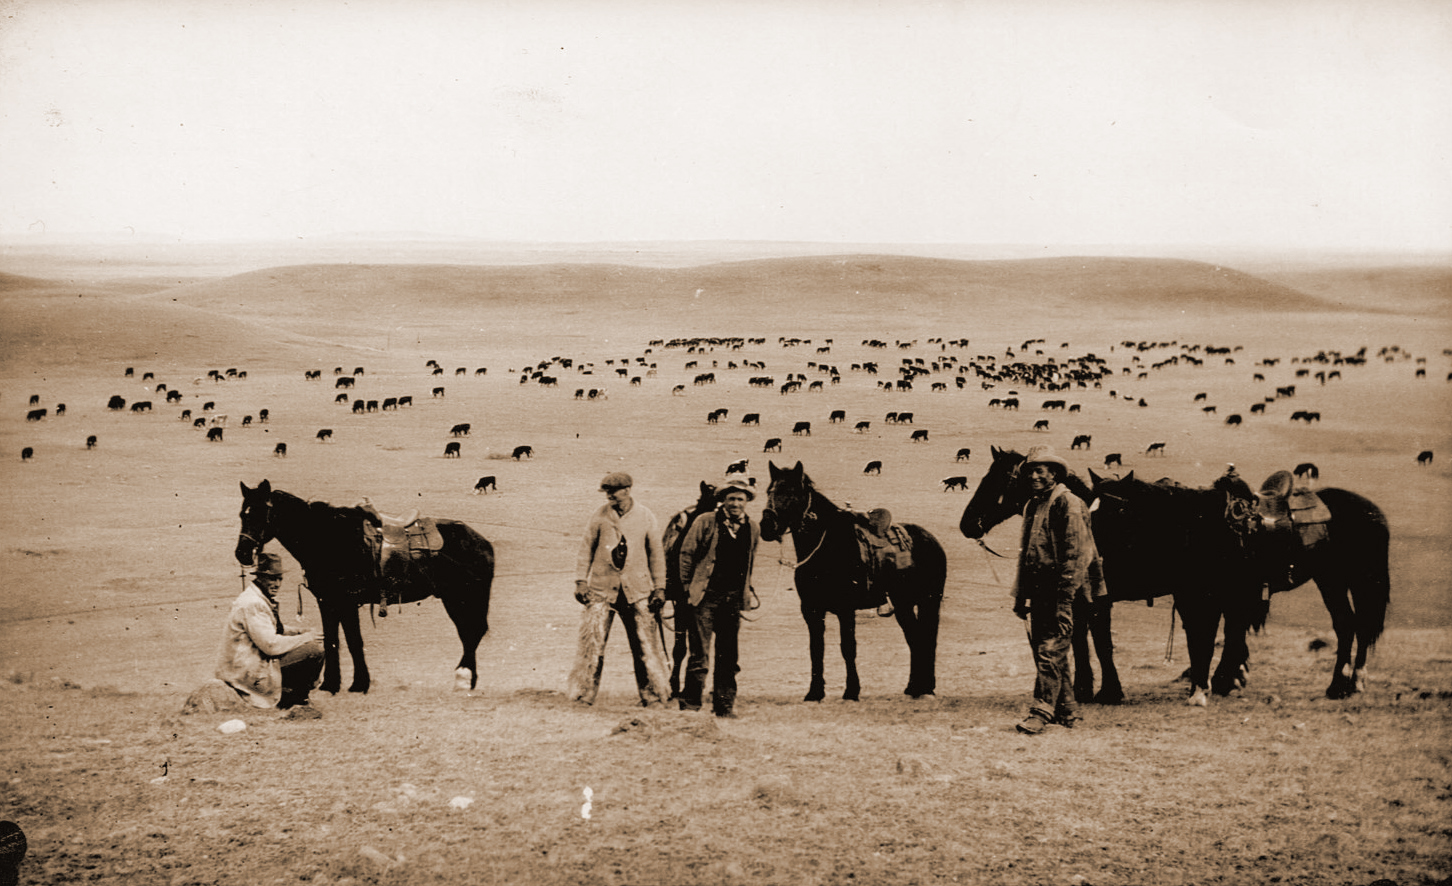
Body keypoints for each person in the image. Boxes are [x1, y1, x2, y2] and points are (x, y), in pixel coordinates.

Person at [1012, 446, 1106, 734]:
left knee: (1050, 651)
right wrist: (1021, 595)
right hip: (1040, 592)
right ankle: (1069, 714)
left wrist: (1065, 599)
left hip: (1067, 591)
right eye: (1031, 471)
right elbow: (1026, 555)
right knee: (1050, 652)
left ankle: (1040, 712)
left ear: (1055, 474)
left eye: (1041, 470)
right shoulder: (1034, 505)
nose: (1034, 476)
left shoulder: (1069, 503)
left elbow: (1076, 555)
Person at [567, 472, 672, 707]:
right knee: (593, 644)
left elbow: (656, 554)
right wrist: (580, 582)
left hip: (638, 592)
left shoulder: (646, 516)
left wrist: (660, 588)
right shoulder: (599, 516)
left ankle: (652, 695)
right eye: (607, 492)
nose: (610, 495)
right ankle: (585, 694)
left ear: (627, 490)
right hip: (602, 591)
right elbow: (586, 549)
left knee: (644, 645)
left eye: (614, 491)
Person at [676, 478, 760, 717]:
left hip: (732, 601)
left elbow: (750, 562)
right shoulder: (706, 522)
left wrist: (743, 594)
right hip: (705, 599)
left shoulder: (752, 528)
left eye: (740, 499)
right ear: (723, 500)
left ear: (746, 502)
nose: (735, 503)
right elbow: (686, 554)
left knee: (729, 657)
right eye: (731, 498)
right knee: (699, 656)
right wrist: (686, 589)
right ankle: (691, 706)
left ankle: (724, 707)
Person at [215, 551, 326, 712]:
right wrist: (306, 637)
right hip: (245, 673)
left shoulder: (256, 597)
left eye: (279, 578)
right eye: (272, 578)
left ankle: (291, 694)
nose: (277, 584)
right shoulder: (253, 603)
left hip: (245, 666)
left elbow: (272, 629)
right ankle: (293, 698)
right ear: (260, 577)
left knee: (309, 644)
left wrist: (299, 632)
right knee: (313, 650)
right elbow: (271, 645)